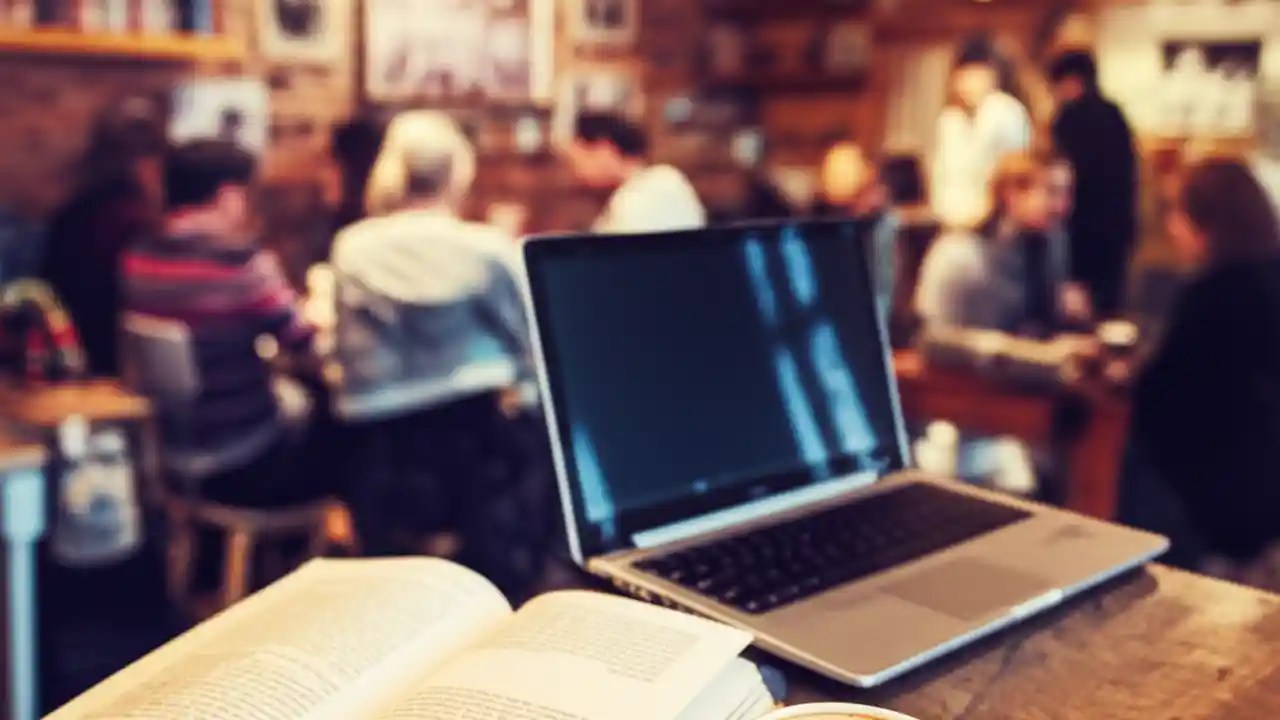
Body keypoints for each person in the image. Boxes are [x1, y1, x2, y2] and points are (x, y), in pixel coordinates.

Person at [331, 111, 551, 598]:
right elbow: (528, 338)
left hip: (379, 452)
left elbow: (346, 353)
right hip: (475, 447)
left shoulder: (351, 248)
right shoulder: (485, 249)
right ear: (460, 172)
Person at [121, 140, 322, 507]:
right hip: (244, 455)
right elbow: (304, 344)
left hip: (171, 452)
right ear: (229, 197)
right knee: (331, 423)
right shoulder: (240, 265)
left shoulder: (139, 256)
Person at [1130, 158, 1280, 573]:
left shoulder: (1214, 296)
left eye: (1177, 216)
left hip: (1221, 497)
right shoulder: (1268, 277)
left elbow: (1161, 402)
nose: (1171, 229)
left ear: (1206, 226)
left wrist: (1131, 375)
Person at [41, 99, 166, 376]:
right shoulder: (132, 219)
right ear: (145, 163)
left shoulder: (72, 208)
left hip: (67, 348)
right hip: (111, 359)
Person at [917, 152, 1082, 339]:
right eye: (1052, 192)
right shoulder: (959, 257)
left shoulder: (1052, 245)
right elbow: (935, 339)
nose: (1063, 206)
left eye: (1067, 193)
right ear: (1012, 194)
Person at [1048, 50, 1138, 318]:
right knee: (1109, 303)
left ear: (1071, 81)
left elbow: (1066, 176)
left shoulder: (1068, 119)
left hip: (1081, 228)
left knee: (1078, 304)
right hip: (1117, 226)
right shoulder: (1115, 114)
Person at [931, 35, 1032, 229]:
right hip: (953, 221)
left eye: (980, 73)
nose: (970, 81)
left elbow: (1013, 173)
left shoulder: (1005, 110)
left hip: (1000, 221)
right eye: (964, 74)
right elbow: (942, 176)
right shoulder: (950, 120)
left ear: (996, 75)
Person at [568, 111, 705, 233]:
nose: (576, 171)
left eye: (579, 159)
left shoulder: (654, 189)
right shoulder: (640, 187)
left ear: (604, 149)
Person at [815, 141, 899, 323]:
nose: (876, 200)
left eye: (873, 187)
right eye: (862, 195)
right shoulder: (826, 232)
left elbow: (883, 298)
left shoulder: (883, 226)